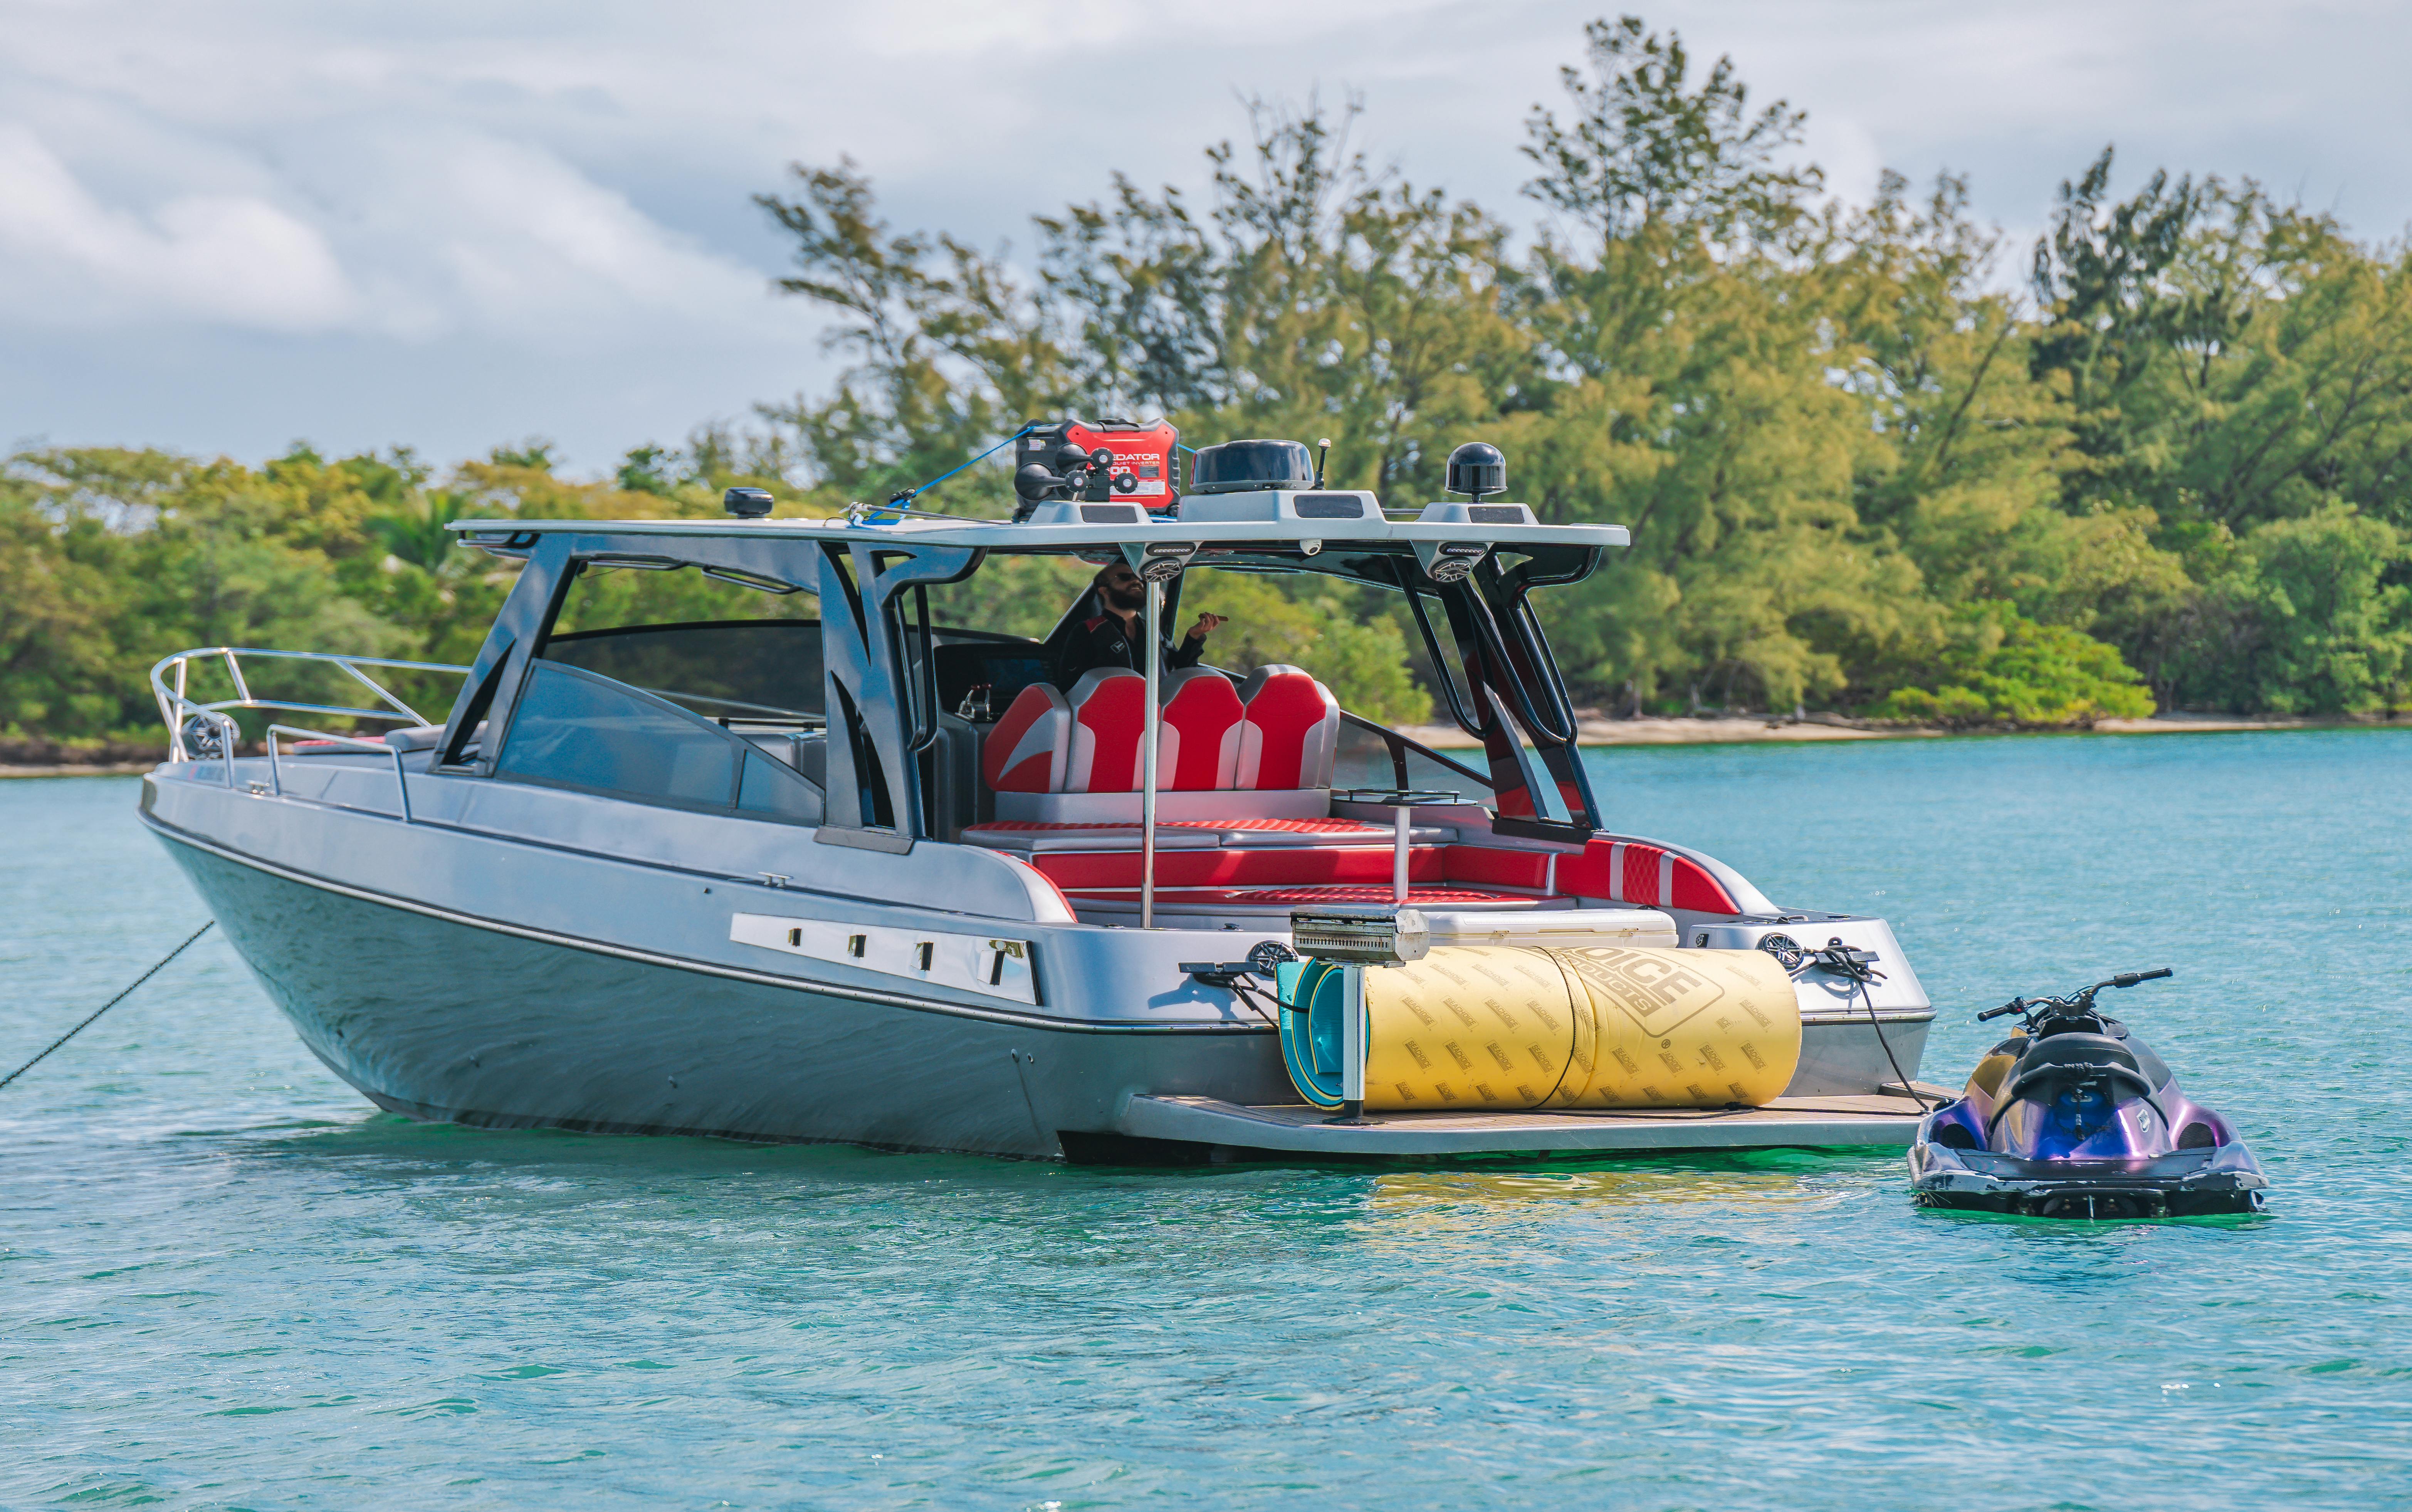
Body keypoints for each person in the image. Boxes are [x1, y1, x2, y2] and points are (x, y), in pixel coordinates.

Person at [1053, 562, 1227, 689]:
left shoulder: (1152, 630)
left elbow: (1181, 671)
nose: (1136, 582)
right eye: (1124, 578)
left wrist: (1194, 637)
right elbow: (1070, 685)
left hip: (1157, 714)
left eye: (1138, 578)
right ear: (1104, 590)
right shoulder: (1087, 632)